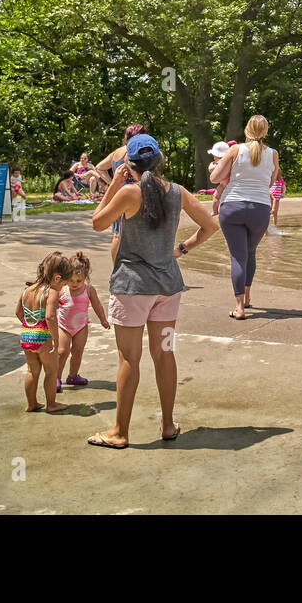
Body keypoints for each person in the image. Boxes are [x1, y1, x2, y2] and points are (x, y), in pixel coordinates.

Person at [88, 133, 218, 448]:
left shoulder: (129, 193)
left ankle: (119, 432)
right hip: (168, 287)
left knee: (129, 358)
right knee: (164, 354)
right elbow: (211, 226)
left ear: (128, 164)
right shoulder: (177, 192)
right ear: (159, 161)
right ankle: (169, 425)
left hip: (133, 286)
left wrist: (114, 185)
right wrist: (181, 249)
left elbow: (97, 223)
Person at [209, 115, 281, 319]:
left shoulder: (235, 150)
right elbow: (270, 183)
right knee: (250, 252)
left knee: (237, 256)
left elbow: (214, 178)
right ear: (265, 131)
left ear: (247, 130)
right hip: (260, 209)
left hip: (233, 206)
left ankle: (239, 307)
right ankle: (247, 299)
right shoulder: (273, 154)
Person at [16, 251, 73, 414]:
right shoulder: (51, 292)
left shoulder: (27, 291)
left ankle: (32, 404)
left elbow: (18, 313)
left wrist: (30, 328)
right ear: (56, 278)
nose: (62, 288)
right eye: (64, 284)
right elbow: (50, 316)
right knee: (51, 371)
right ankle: (51, 404)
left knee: (32, 371)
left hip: (27, 336)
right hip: (44, 338)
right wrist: (54, 339)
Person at [56, 250, 109, 391]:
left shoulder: (89, 290)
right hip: (63, 326)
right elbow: (50, 303)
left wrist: (103, 319)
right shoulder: (62, 289)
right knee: (62, 352)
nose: (74, 284)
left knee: (78, 352)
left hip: (81, 326)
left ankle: (73, 376)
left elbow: (97, 305)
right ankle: (56, 377)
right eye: (71, 280)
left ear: (85, 277)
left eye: (78, 281)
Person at [95, 123, 145, 264]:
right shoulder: (132, 153)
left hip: (117, 195)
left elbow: (99, 167)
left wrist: (113, 182)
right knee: (129, 235)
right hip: (130, 197)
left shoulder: (117, 152)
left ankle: (116, 269)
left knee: (117, 235)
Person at [206, 140, 230, 216]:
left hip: (224, 184)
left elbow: (210, 169)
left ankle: (215, 211)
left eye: (214, 155)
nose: (213, 157)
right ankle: (216, 211)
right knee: (216, 196)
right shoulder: (229, 161)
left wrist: (219, 164)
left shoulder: (225, 162)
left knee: (216, 196)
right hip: (229, 184)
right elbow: (210, 169)